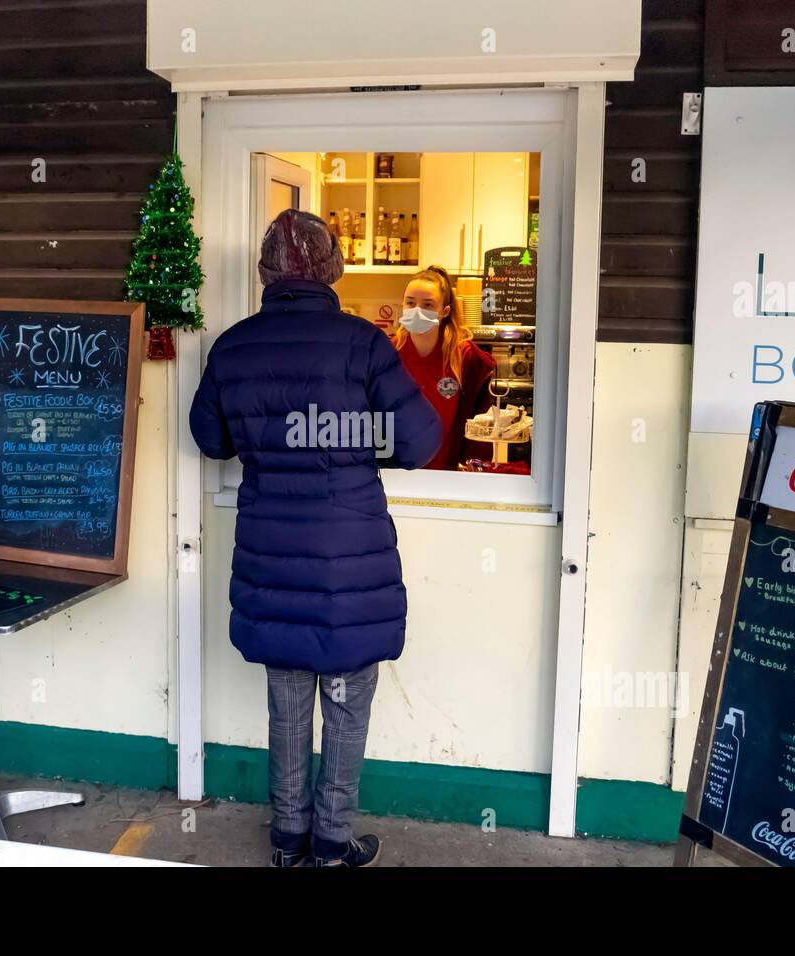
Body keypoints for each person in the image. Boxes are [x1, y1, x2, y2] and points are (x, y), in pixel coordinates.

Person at [189, 209, 441, 867]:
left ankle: (286, 843)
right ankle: (331, 845)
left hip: (273, 565)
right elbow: (418, 441)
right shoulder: (361, 343)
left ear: (267, 274)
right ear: (331, 270)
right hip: (352, 571)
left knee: (288, 707)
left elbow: (211, 439)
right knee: (348, 710)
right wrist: (352, 443)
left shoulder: (234, 346)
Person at [393, 266, 496, 469]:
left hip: (449, 474)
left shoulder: (466, 358)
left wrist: (473, 466)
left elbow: (481, 424)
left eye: (428, 305)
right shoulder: (389, 353)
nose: (417, 311)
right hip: (398, 473)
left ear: (445, 311)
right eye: (410, 303)